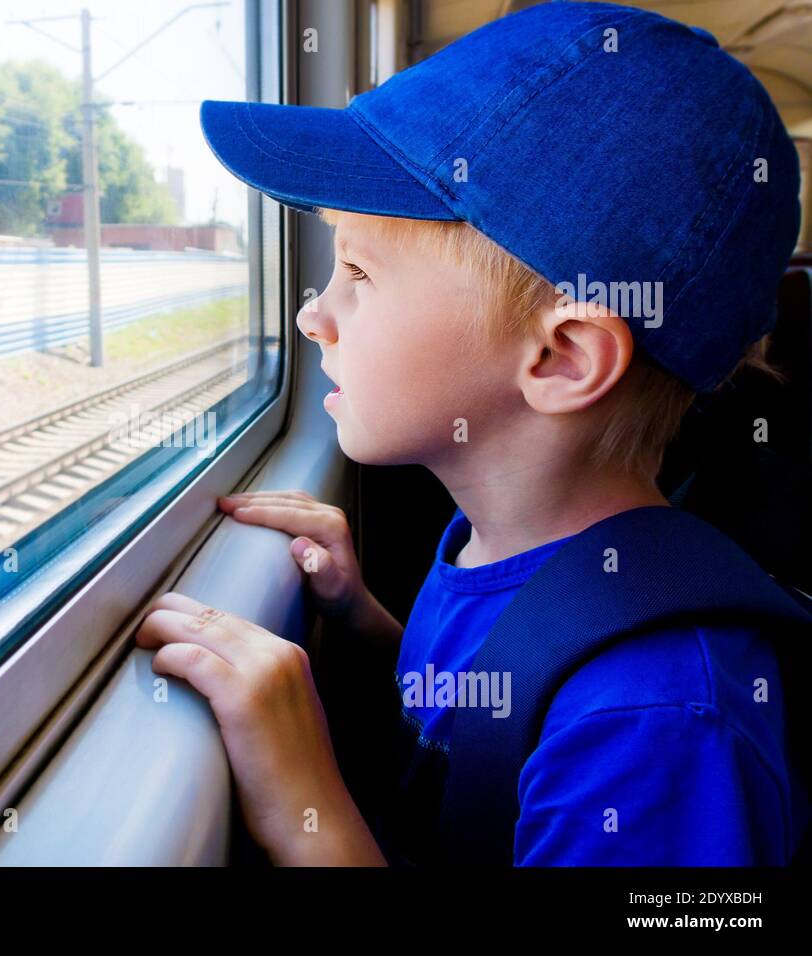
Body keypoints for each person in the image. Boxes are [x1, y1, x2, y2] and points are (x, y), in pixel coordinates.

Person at [135, 1, 807, 865]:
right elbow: (488, 726)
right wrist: (366, 620)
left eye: (358, 273)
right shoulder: (493, 548)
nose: (313, 316)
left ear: (562, 358)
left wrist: (308, 805)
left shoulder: (662, 723)